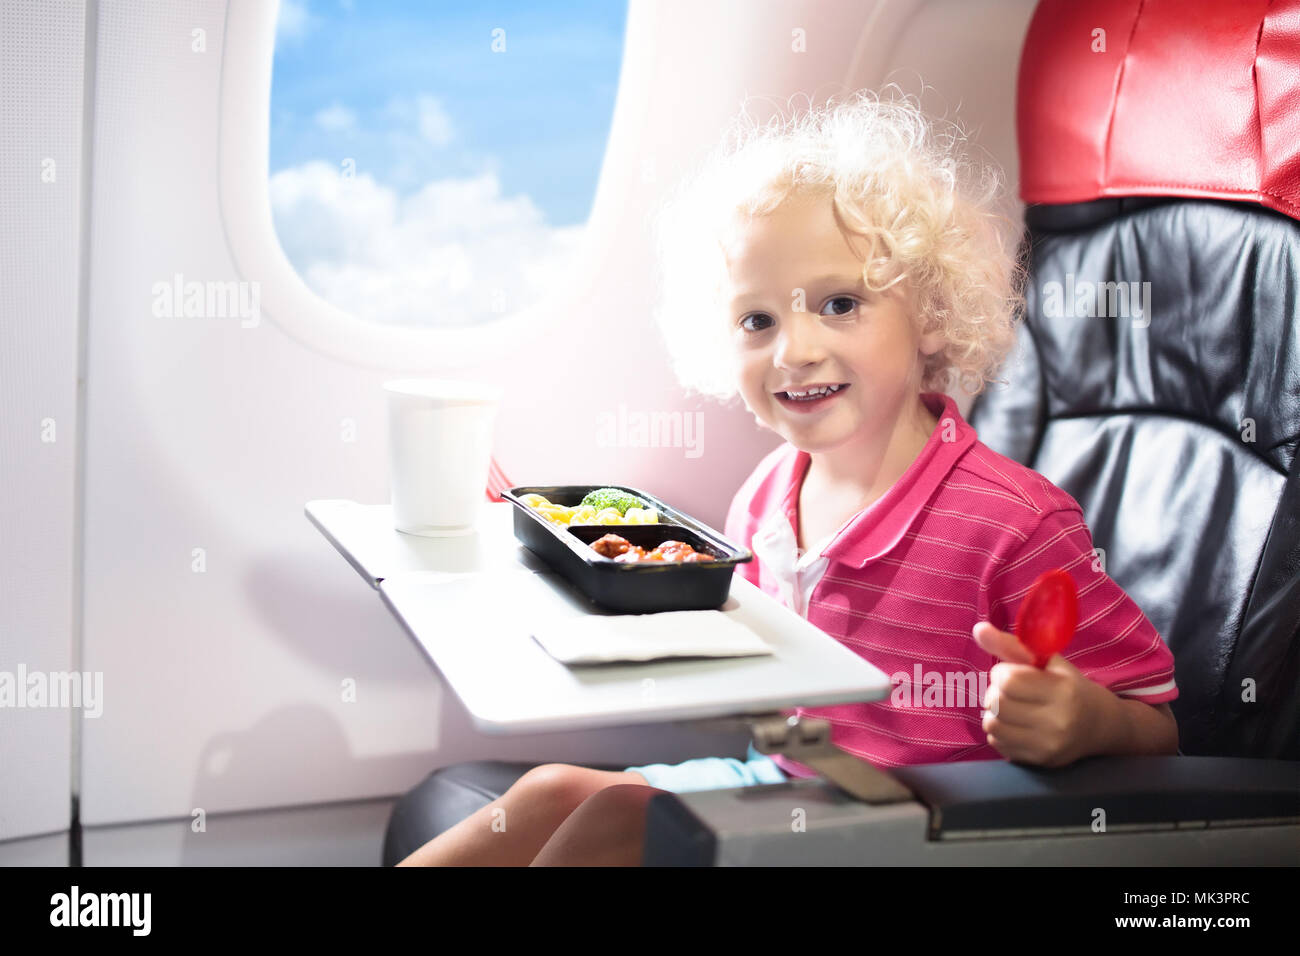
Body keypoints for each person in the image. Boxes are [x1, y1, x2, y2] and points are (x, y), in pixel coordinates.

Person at [397, 90, 1179, 867]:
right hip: (795, 783)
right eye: (757, 320)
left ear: (932, 313)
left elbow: (1158, 727)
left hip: (918, 829)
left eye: (840, 304)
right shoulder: (769, 493)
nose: (794, 350)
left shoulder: (1014, 523)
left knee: (616, 826)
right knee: (553, 793)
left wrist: (1086, 721)